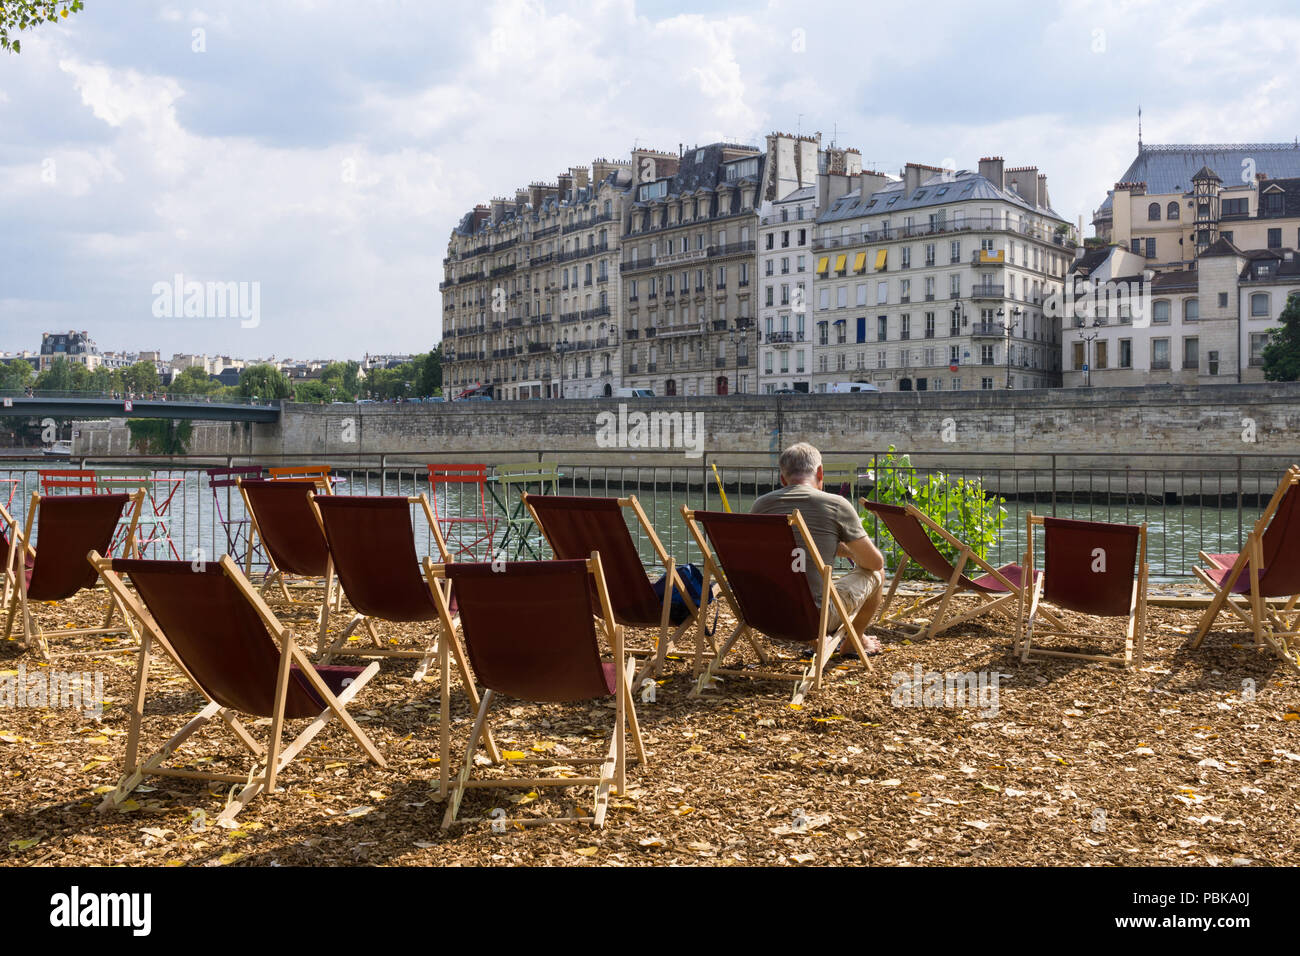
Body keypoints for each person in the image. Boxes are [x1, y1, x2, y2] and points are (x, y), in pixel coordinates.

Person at [750, 442, 885, 654]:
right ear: (820, 472)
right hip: (816, 617)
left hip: (766, 614)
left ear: (782, 478)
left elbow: (761, 556)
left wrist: (830, 546)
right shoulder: (836, 505)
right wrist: (846, 549)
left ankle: (821, 643)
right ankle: (852, 642)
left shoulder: (761, 506)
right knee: (878, 572)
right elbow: (874, 562)